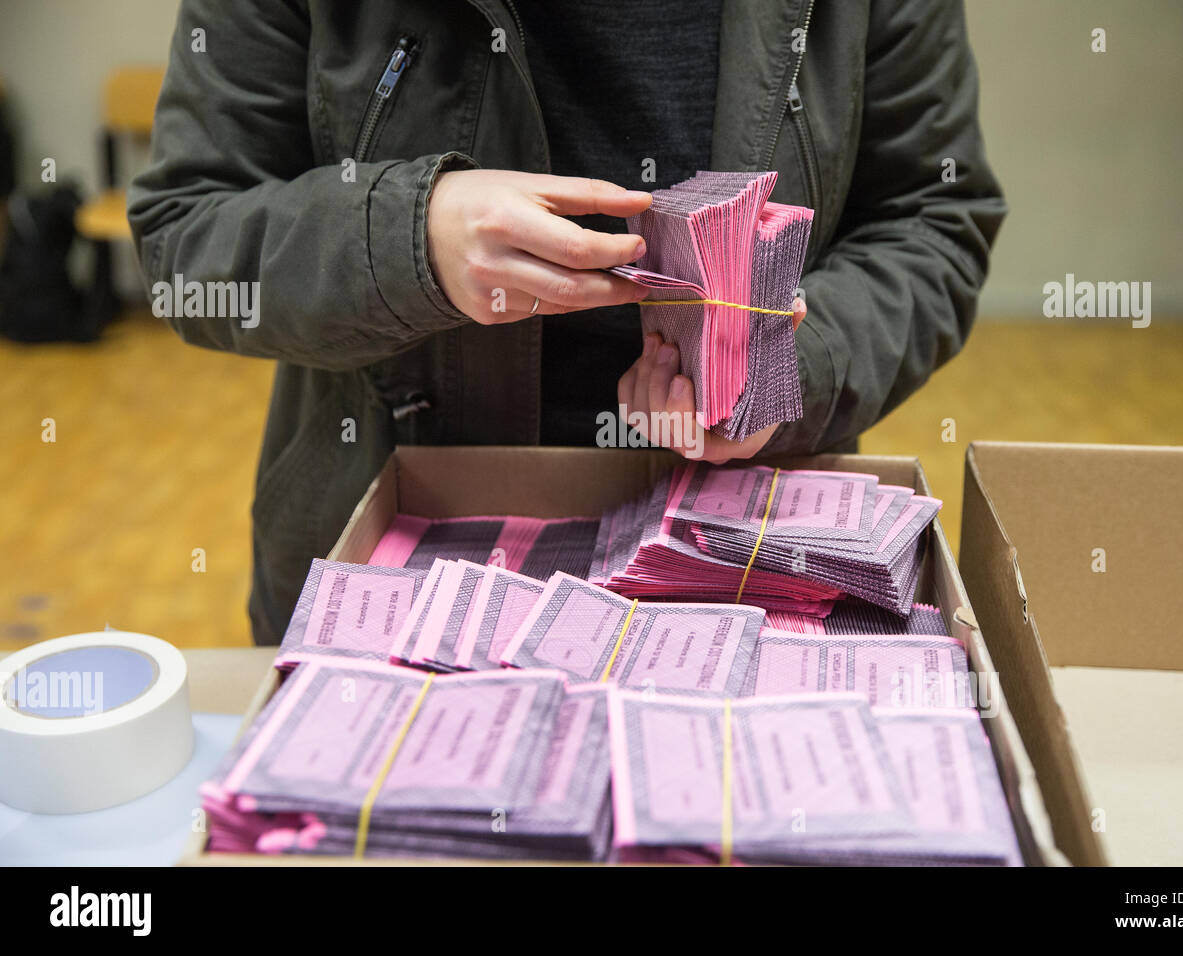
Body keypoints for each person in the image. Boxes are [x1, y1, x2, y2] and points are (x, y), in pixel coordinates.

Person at [129, 0, 1006, 646]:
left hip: (746, 550)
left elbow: (933, 219)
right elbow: (186, 234)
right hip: (387, 531)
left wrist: (791, 370)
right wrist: (408, 238)